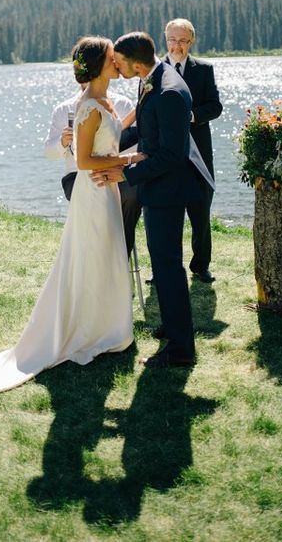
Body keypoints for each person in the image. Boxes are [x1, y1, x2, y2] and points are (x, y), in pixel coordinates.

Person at [0, 36, 144, 395]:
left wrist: (144, 110)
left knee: (106, 255)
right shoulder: (85, 107)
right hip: (94, 191)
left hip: (107, 189)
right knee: (93, 256)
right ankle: (88, 330)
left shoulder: (108, 102)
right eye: (110, 56)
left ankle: (106, 325)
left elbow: (116, 132)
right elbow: (84, 162)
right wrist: (129, 161)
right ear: (99, 64)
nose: (117, 59)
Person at [95, 31, 206, 368]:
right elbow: (147, 133)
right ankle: (174, 327)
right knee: (165, 264)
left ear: (136, 62)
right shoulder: (151, 78)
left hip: (168, 191)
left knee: (167, 266)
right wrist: (110, 148)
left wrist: (125, 174)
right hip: (158, 187)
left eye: (119, 62)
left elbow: (171, 156)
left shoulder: (169, 91)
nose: (116, 66)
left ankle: (181, 350)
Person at [44, 84, 141, 255]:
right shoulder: (63, 109)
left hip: (114, 170)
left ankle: (119, 255)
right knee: (94, 195)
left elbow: (134, 144)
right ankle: (91, 256)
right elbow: (50, 153)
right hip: (76, 174)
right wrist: (62, 142)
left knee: (132, 194)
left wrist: (117, 167)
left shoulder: (122, 103)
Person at [164, 18, 222, 283]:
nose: (177, 46)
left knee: (200, 213)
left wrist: (190, 116)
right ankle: (166, 267)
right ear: (166, 40)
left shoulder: (204, 69)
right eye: (173, 40)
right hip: (166, 157)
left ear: (191, 41)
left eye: (183, 41)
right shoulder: (155, 70)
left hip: (199, 155)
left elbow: (215, 107)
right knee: (168, 217)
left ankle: (201, 266)